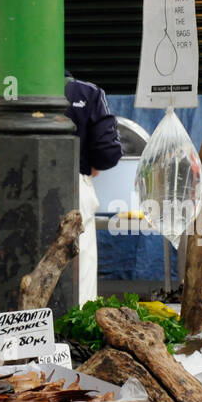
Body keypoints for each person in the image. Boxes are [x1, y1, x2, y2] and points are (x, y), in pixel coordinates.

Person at [64, 74, 122, 305]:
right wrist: (93, 161)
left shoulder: (11, 87)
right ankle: (71, 335)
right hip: (75, 189)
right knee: (78, 272)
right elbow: (107, 151)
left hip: (17, 185)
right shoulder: (87, 92)